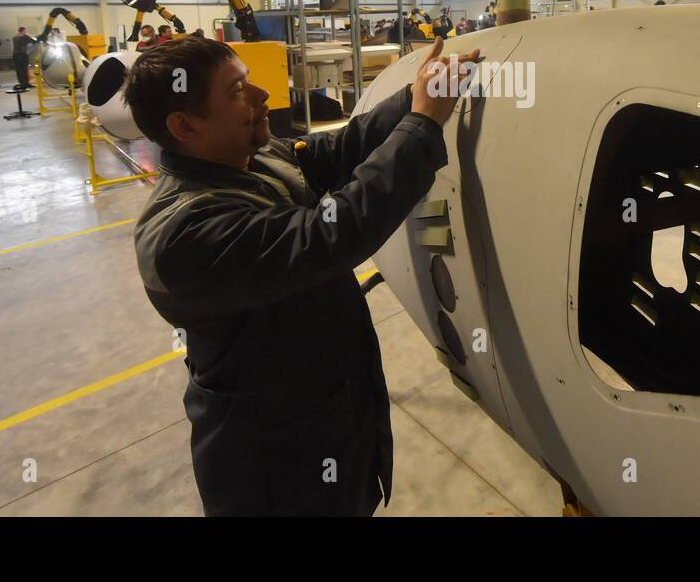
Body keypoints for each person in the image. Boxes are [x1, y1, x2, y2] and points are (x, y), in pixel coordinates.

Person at [124, 35, 480, 516]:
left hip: (324, 417)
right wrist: (422, 122)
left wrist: (417, 94)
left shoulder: (249, 157)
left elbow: (339, 150)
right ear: (184, 125)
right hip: (276, 464)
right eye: (236, 91)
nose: (261, 95)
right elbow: (333, 233)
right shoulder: (185, 235)